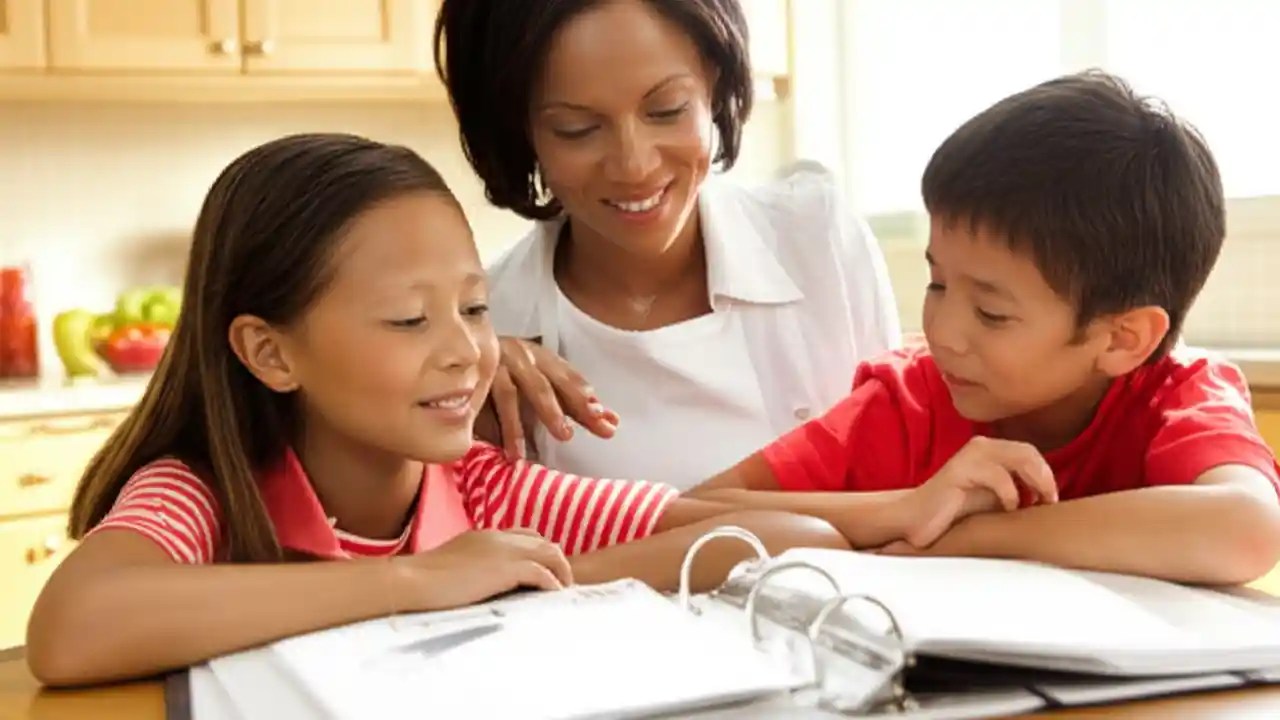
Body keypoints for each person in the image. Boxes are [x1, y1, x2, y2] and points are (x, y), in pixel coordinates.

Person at [25, 134, 850, 688]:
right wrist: (415, 582)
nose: (465, 351)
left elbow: (782, 540)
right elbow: (70, 631)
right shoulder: (204, 490)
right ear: (270, 353)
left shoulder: (481, 492)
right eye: (410, 321)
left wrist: (515, 587)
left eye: (476, 308)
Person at [688, 71, 1280, 586]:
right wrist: (908, 508)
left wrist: (976, 537)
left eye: (992, 313)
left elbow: (1250, 529)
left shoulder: (1177, 395)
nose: (942, 332)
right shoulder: (910, 401)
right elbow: (688, 510)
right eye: (937, 283)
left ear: (1123, 339)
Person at [434, 0, 901, 487]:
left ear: (714, 83)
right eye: (577, 130)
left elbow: (906, 475)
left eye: (666, 110)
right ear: (520, 131)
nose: (634, 167)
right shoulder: (490, 329)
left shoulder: (818, 239)